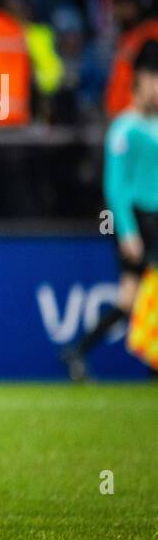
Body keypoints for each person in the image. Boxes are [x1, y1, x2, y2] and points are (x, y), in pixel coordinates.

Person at [62, 40, 158, 379]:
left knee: (131, 301)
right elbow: (115, 186)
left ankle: (78, 351)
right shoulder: (123, 128)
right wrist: (127, 232)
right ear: (141, 80)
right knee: (141, 298)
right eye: (155, 80)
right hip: (138, 219)